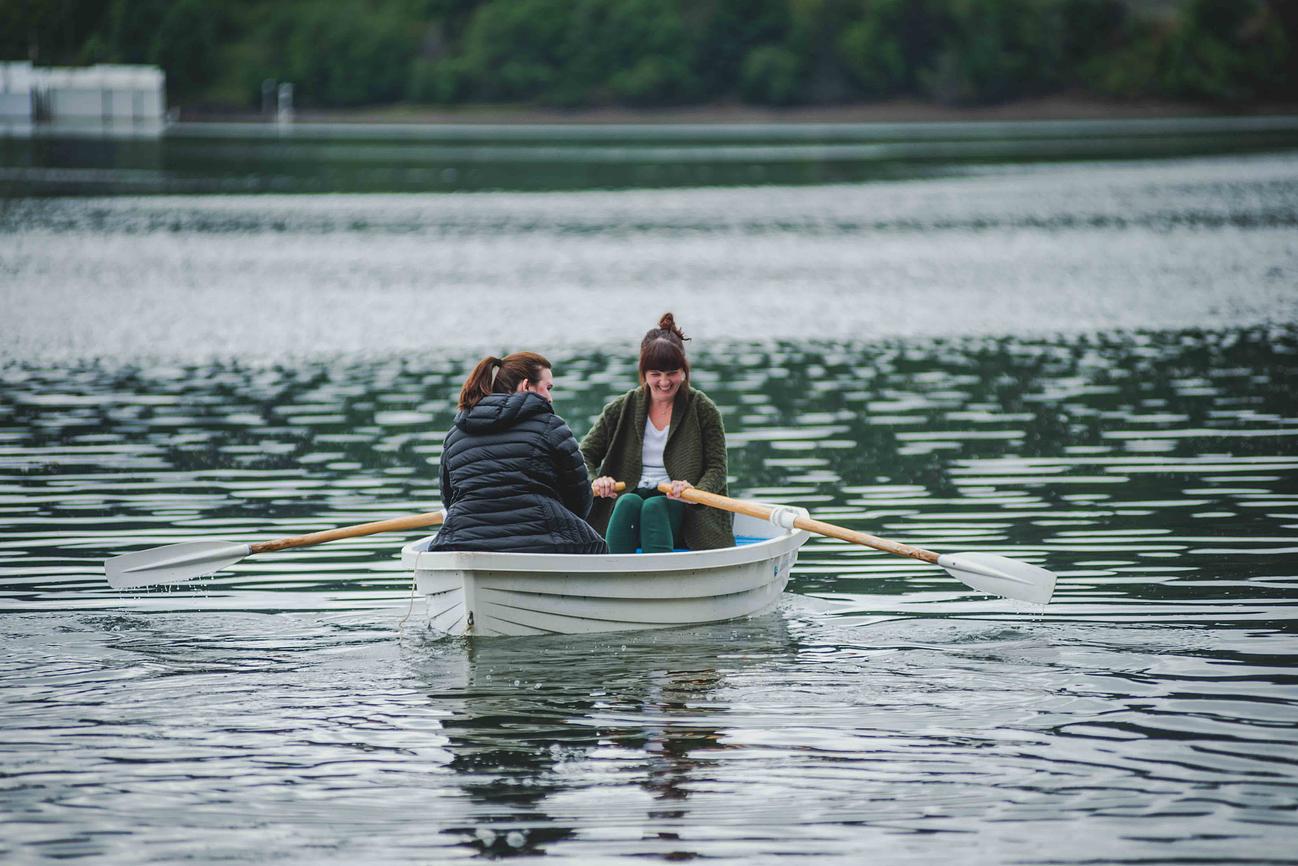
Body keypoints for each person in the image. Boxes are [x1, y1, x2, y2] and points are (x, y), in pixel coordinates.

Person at [582, 313, 734, 553]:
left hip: (680, 506)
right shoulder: (620, 408)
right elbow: (583, 457)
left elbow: (717, 469)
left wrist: (695, 492)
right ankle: (613, 578)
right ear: (644, 374)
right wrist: (597, 480)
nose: (664, 382)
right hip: (627, 499)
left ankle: (660, 580)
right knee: (629, 502)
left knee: (653, 507)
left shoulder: (703, 408)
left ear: (684, 371)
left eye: (671, 373)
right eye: (655, 374)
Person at [430, 352, 608, 555]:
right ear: (525, 386)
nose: (550, 398)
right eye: (548, 388)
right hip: (543, 540)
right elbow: (579, 499)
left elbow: (450, 498)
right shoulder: (550, 426)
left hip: (462, 539)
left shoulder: (455, 435)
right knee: (597, 546)